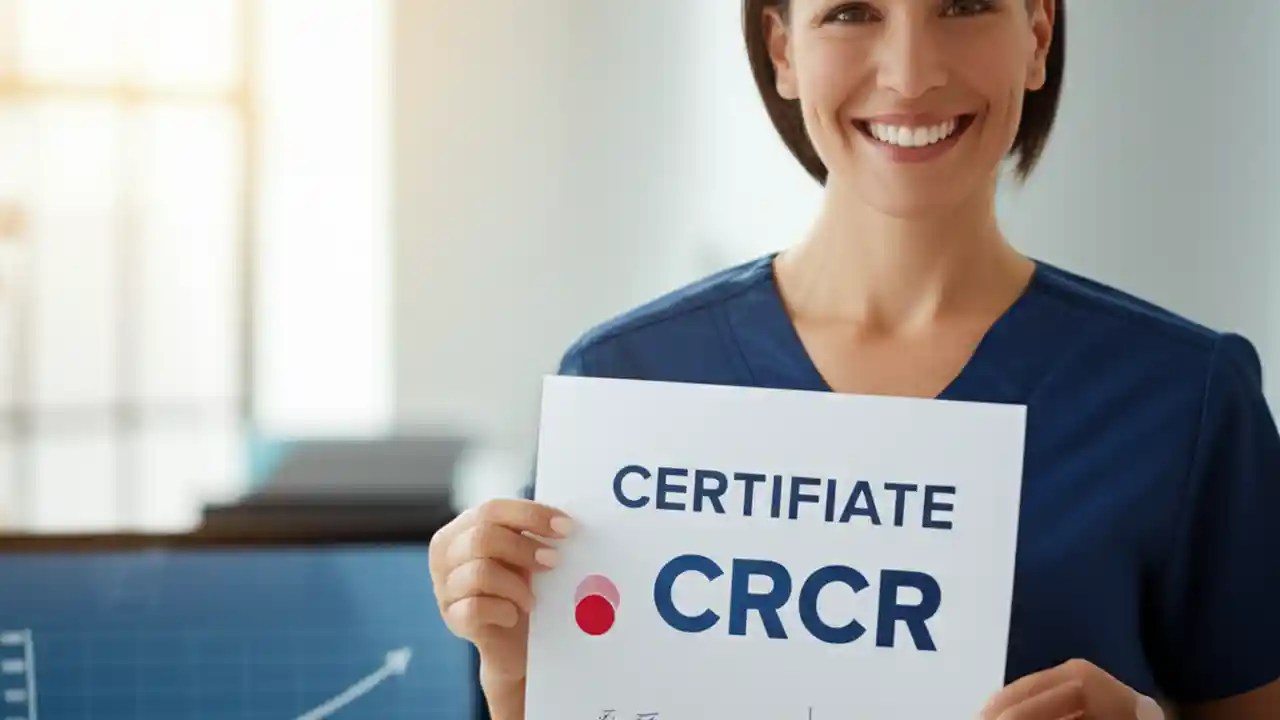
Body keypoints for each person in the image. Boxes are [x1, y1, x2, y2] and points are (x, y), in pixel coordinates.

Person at [429, 0, 1280, 717]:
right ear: (782, 47)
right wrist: (512, 667)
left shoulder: (1185, 401)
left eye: (964, 4)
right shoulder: (626, 381)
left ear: (1039, 35)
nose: (910, 73)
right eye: (851, 12)